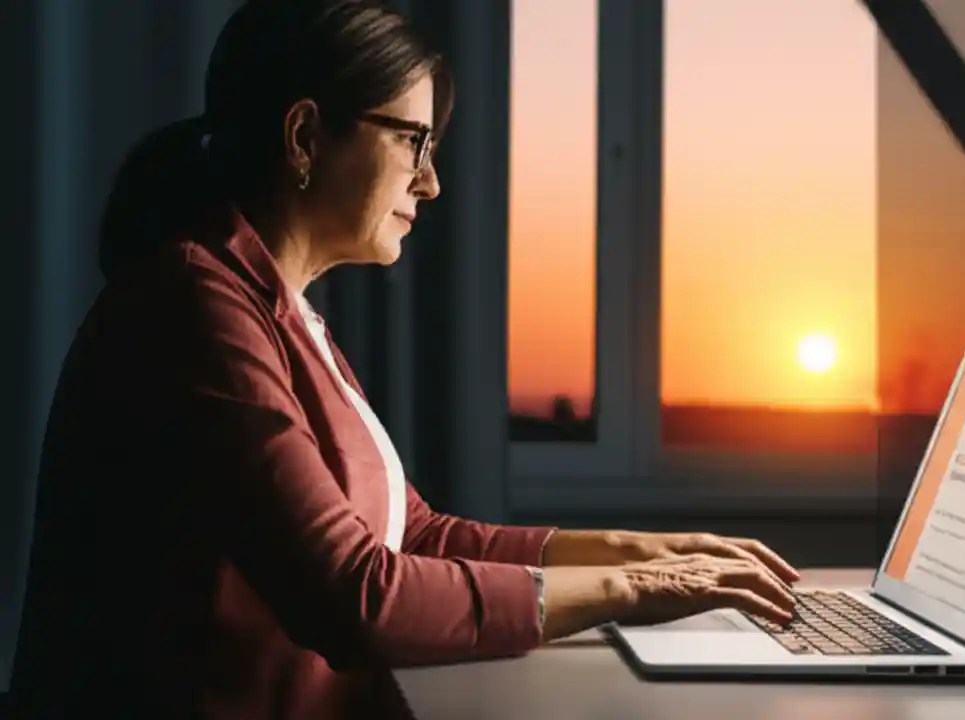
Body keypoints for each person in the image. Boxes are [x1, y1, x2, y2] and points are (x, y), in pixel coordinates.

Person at [9, 1, 798, 717]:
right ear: (306, 136)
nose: (433, 181)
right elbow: (358, 595)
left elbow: (410, 533)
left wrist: (642, 551)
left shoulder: (270, 305)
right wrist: (631, 590)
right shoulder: (198, 309)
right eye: (413, 140)